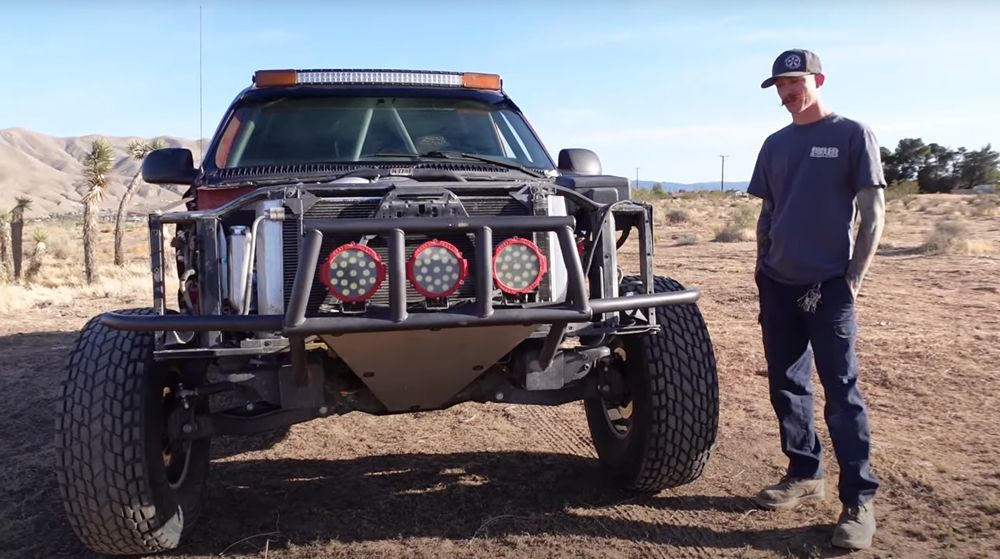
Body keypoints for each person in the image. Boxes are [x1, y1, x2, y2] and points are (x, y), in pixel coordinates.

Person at [747, 49, 886, 550]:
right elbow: (768, 214)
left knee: (842, 393)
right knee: (787, 386)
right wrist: (761, 266)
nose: (785, 92)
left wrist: (854, 279)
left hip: (829, 287)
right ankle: (804, 473)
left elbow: (873, 214)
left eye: (793, 81)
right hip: (778, 283)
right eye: (778, 85)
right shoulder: (775, 144)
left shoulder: (852, 134)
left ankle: (858, 501)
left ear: (818, 79)